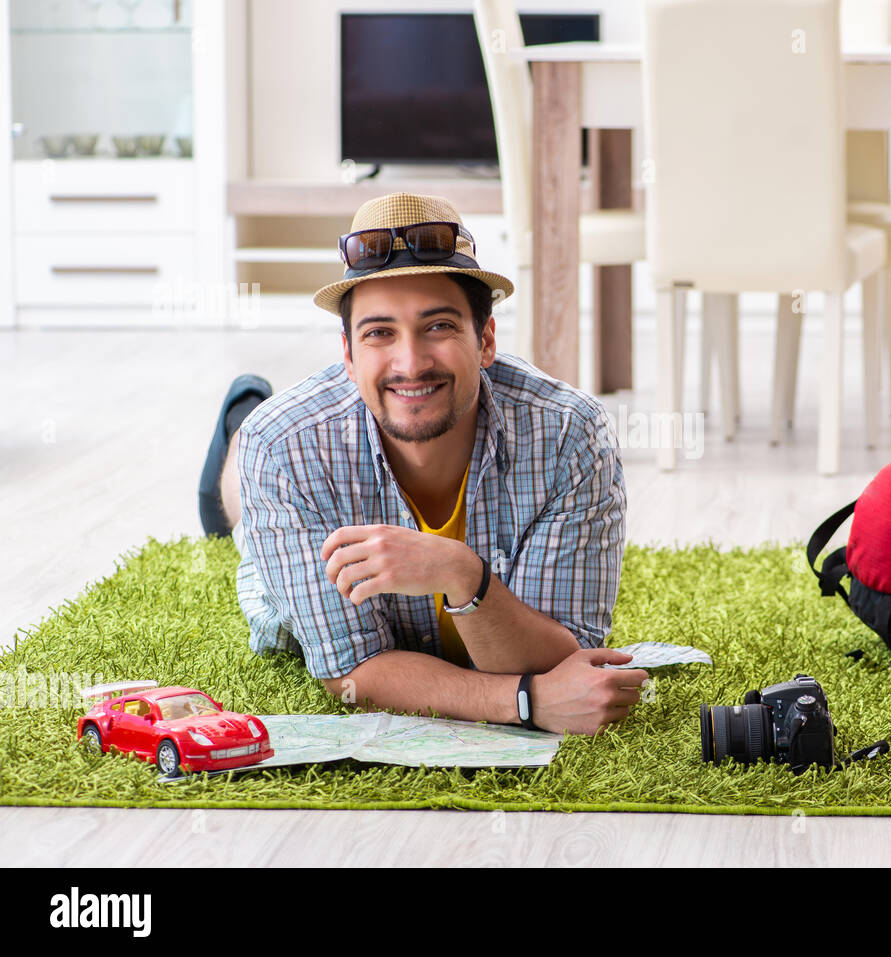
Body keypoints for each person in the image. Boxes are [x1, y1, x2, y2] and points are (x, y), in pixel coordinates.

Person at [197, 193, 647, 736]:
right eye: (379, 333)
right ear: (347, 354)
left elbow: (566, 657)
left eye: (437, 327)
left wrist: (461, 573)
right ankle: (238, 422)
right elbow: (350, 671)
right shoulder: (283, 445)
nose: (411, 363)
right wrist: (524, 702)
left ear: (485, 340)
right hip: (275, 468)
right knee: (239, 502)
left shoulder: (570, 435)